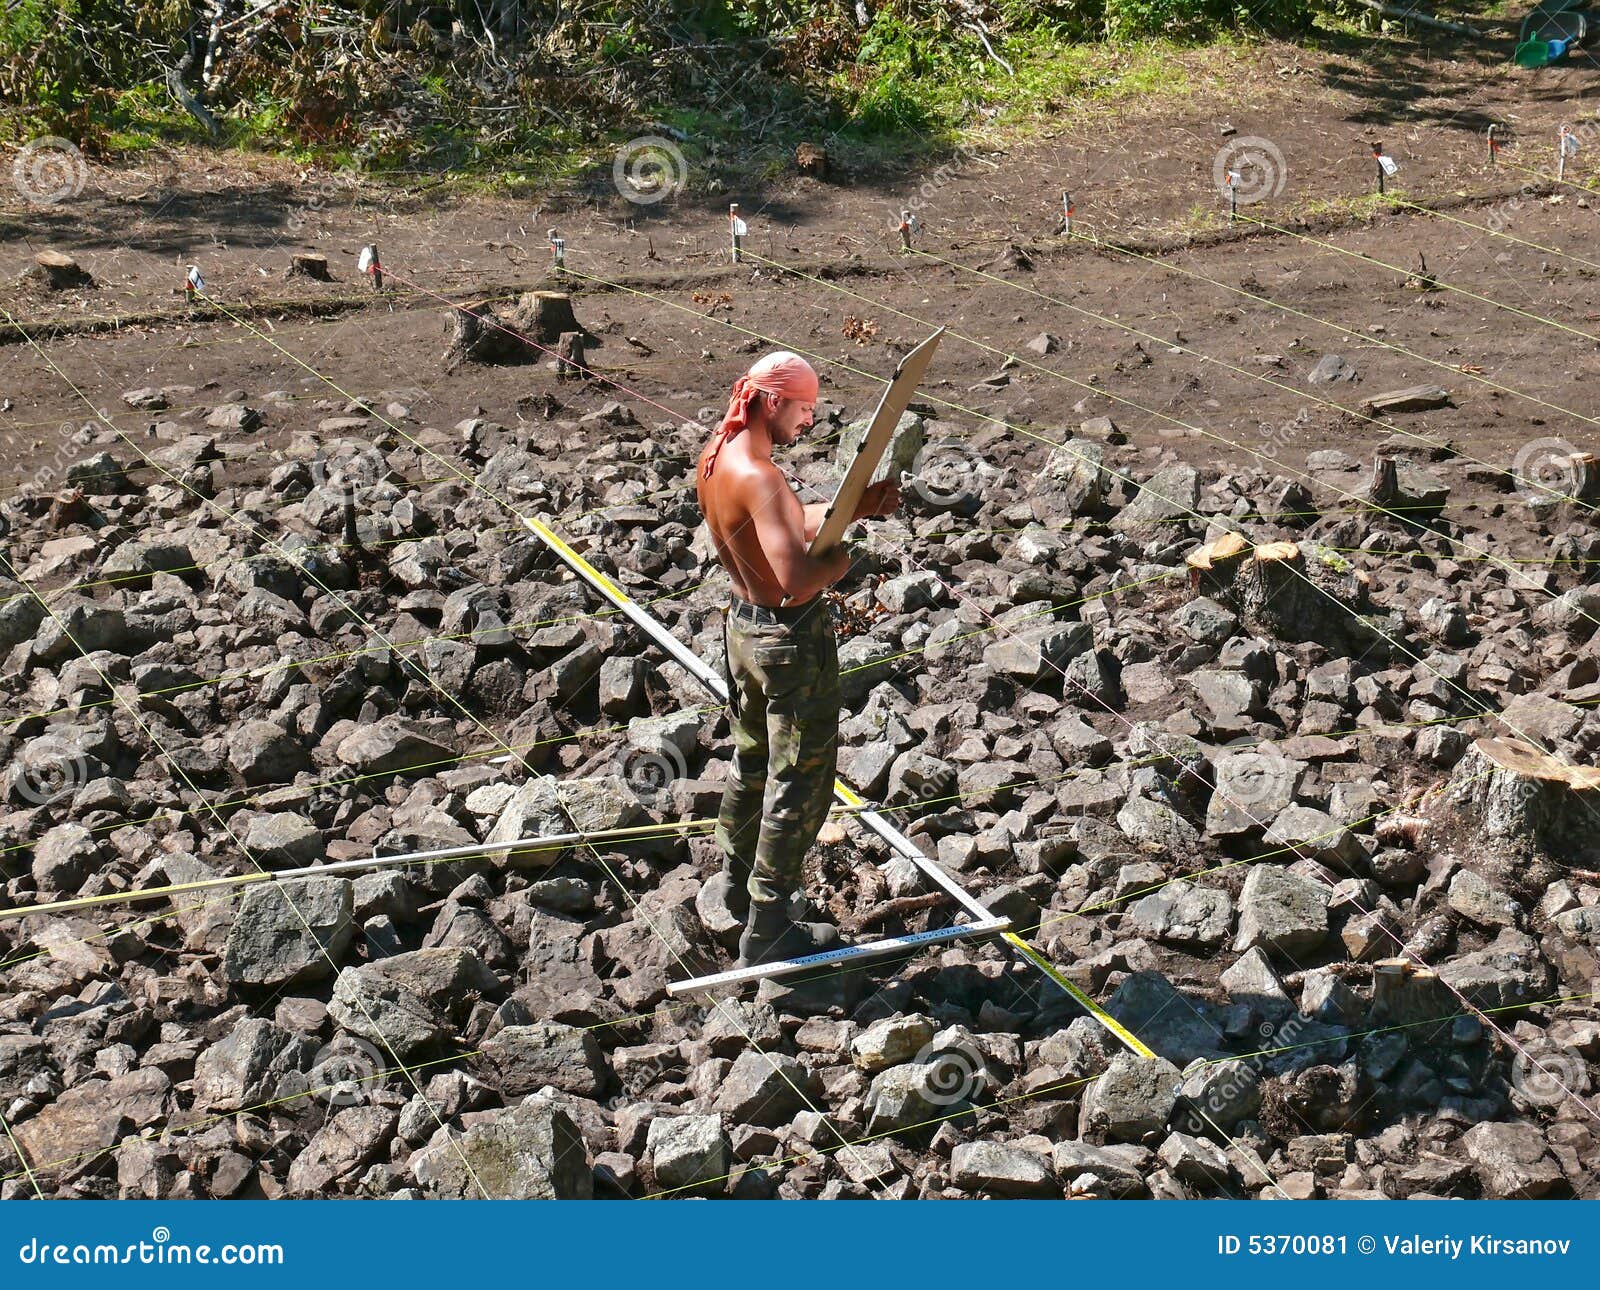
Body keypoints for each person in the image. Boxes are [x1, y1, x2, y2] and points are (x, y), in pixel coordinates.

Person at [696, 351, 901, 967]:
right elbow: (793, 582)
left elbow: (776, 525)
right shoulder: (761, 474)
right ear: (771, 401)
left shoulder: (719, 456)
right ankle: (770, 929)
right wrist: (843, 560)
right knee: (799, 781)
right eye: (803, 408)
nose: (809, 420)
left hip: (744, 630)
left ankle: (735, 887)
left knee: (753, 760)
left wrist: (852, 508)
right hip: (788, 641)